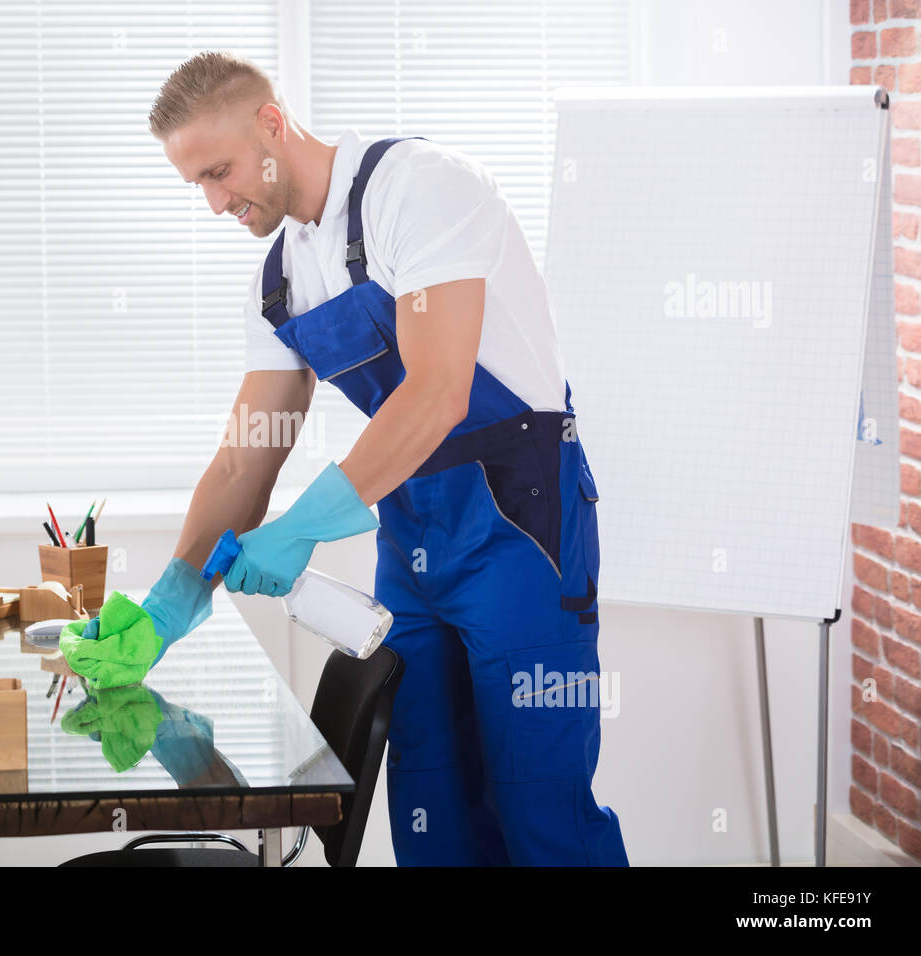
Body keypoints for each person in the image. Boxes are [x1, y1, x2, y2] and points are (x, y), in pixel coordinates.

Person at [116, 51, 627, 866]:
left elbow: (436, 395)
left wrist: (304, 527)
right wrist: (172, 602)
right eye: (197, 187)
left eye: (220, 172)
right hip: (414, 542)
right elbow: (246, 461)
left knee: (541, 812)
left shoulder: (418, 191)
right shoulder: (281, 279)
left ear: (272, 124)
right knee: (434, 809)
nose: (215, 203)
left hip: (520, 528)